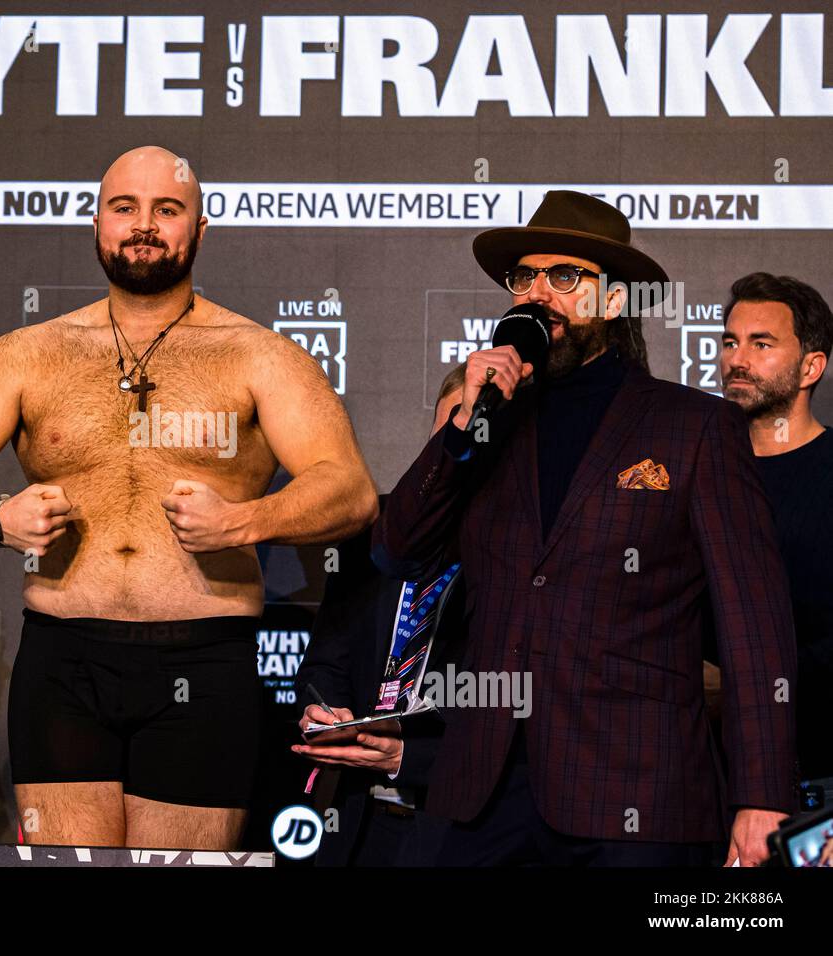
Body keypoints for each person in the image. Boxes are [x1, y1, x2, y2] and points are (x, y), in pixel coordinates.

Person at [0, 146, 377, 849]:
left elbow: (350, 490)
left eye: (167, 209)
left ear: (199, 231)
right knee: (65, 871)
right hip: (64, 661)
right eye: (125, 208)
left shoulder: (260, 355)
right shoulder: (28, 354)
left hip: (205, 661)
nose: (143, 225)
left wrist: (247, 519)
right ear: (96, 223)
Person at [373, 190, 799, 866]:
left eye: (565, 277)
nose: (537, 293)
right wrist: (463, 426)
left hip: (634, 795)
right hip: (478, 792)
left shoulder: (694, 428)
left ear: (614, 301)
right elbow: (398, 551)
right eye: (524, 277)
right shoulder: (488, 419)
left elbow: (754, 628)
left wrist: (763, 794)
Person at [292, 365, 466, 865]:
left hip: (458, 833)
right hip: (355, 826)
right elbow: (324, 664)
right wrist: (322, 713)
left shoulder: (523, 560)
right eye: (448, 431)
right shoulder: (374, 531)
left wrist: (409, 758)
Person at [719, 272, 833, 783]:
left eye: (761, 344)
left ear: (812, 366)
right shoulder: (702, 473)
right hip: (704, 774)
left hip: (819, 774)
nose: (737, 360)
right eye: (730, 342)